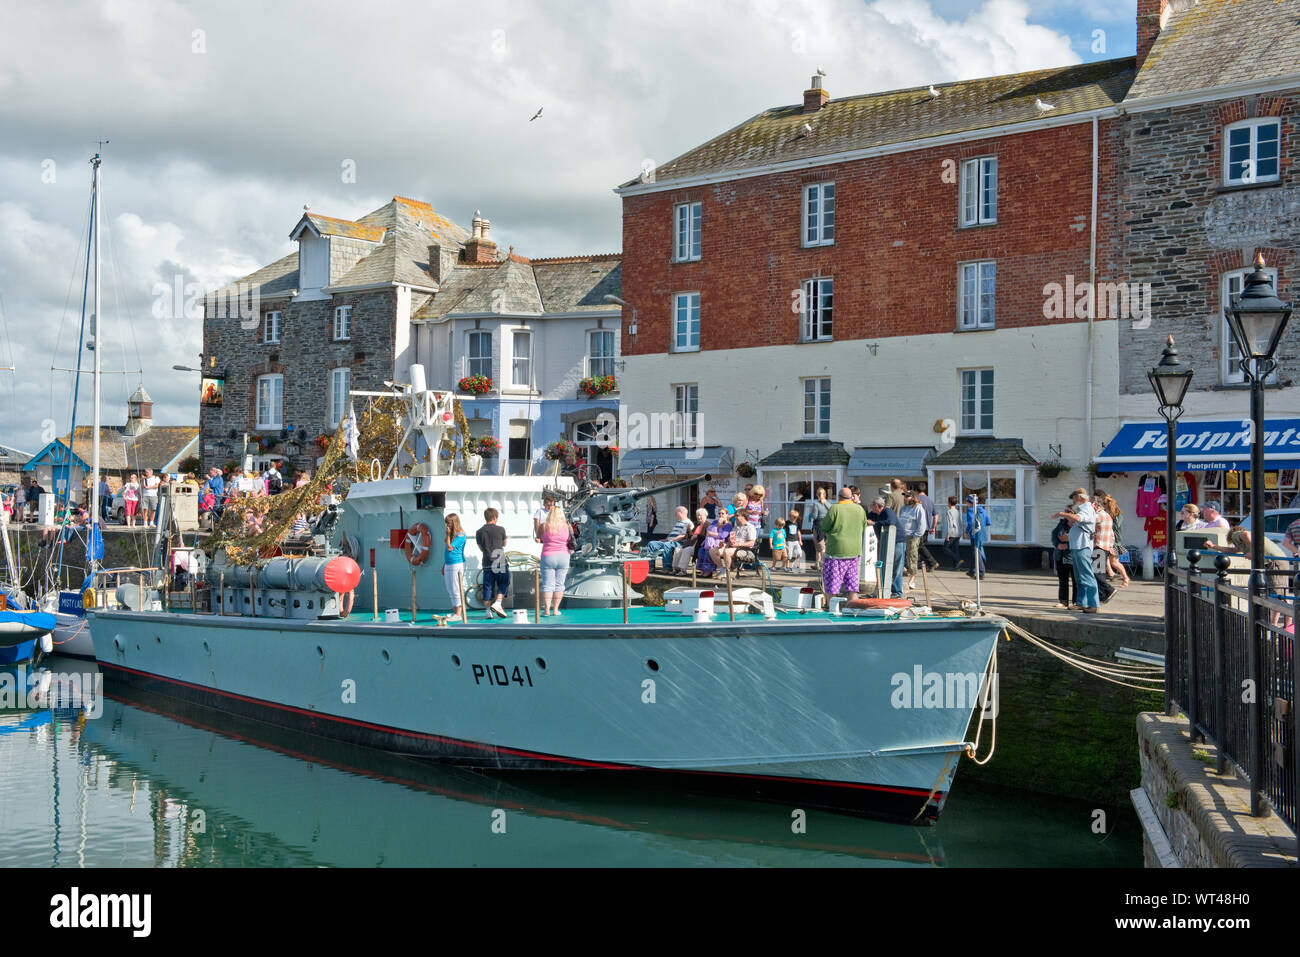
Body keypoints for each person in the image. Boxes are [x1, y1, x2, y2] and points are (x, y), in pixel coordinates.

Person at [1054, 488, 1099, 613]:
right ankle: (1081, 602)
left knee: (1086, 575)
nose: (1073, 500)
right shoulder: (1083, 508)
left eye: (1074, 498)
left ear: (1079, 497)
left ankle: (1093, 603)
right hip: (1077, 545)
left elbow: (1079, 519)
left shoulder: (1087, 508)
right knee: (1079, 577)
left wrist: (1063, 514)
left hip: (1082, 546)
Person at [821, 487, 867, 600]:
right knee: (852, 584)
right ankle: (853, 607)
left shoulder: (835, 508)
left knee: (832, 583)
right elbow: (864, 526)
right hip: (854, 551)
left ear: (839, 497)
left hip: (836, 551)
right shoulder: (860, 509)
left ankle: (831, 608)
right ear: (851, 497)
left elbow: (824, 526)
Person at [867, 496, 906, 597]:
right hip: (885, 541)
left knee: (897, 566)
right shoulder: (873, 514)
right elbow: (866, 518)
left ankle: (897, 592)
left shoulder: (887, 511)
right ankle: (881, 590)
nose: (870, 507)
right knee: (882, 565)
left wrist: (874, 523)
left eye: (872, 505)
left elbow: (890, 522)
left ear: (876, 506)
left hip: (898, 540)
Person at [476, 507, 509, 618]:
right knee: (504, 582)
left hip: (487, 561)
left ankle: (487, 611)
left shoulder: (479, 532)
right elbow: (504, 543)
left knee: (488, 586)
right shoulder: (501, 529)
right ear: (495, 518)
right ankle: (498, 603)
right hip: (499, 558)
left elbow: (481, 547)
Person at [539, 505, 571, 615]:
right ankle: (556, 610)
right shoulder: (567, 526)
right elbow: (570, 539)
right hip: (563, 556)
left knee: (547, 584)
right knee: (559, 585)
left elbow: (540, 538)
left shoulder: (544, 526)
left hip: (548, 556)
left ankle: (547, 610)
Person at [1094, 492, 1130, 587]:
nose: (1103, 505)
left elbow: (1115, 526)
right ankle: (1111, 574)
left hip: (1114, 541)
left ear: (1109, 503)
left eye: (1104, 503)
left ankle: (1125, 578)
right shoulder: (1106, 513)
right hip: (1106, 540)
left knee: (1114, 561)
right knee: (1105, 558)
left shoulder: (1117, 515)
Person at [643, 506, 691, 570]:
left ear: (681, 513)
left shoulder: (688, 523)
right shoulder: (678, 522)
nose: (675, 514)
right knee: (651, 543)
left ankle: (667, 568)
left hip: (679, 542)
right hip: (670, 541)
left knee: (667, 545)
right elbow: (672, 533)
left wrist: (672, 540)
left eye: (676, 513)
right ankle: (650, 566)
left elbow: (683, 535)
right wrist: (665, 539)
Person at [899, 492, 928, 590]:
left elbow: (922, 524)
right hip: (902, 535)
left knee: (912, 557)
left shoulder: (918, 508)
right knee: (900, 555)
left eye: (907, 496)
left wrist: (916, 535)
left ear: (913, 497)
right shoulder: (903, 508)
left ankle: (912, 579)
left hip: (912, 536)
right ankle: (901, 575)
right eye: (905, 496)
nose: (905, 498)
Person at [441, 513, 467, 617]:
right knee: (449, 588)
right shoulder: (452, 535)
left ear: (454, 523)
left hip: (457, 564)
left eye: (449, 522)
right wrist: (444, 565)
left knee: (456, 588)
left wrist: (447, 535)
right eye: (446, 522)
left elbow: (450, 548)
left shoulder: (461, 535)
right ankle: (455, 611)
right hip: (449, 564)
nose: (447, 525)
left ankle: (458, 613)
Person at [673, 508, 710, 575]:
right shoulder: (696, 524)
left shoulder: (708, 525)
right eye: (697, 515)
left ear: (705, 516)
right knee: (678, 549)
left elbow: (706, 537)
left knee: (686, 550)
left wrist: (697, 536)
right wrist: (688, 530)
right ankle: (676, 568)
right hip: (691, 543)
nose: (699, 517)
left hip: (699, 545)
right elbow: (690, 536)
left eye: (700, 515)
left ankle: (683, 570)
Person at [1051, 508, 1075, 608]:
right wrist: (1057, 544)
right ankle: (1063, 601)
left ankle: (1076, 601)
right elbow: (1054, 535)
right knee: (1063, 580)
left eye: (1068, 513)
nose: (1067, 515)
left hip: (1073, 556)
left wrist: (1068, 545)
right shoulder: (1062, 524)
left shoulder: (1078, 525)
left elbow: (1081, 540)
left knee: (1076, 580)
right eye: (1066, 513)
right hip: (1060, 555)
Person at [963, 494, 991, 579]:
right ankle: (972, 571)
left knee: (976, 552)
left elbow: (971, 523)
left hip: (974, 534)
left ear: (970, 502)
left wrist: (967, 531)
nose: (966, 503)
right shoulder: (983, 510)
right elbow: (988, 522)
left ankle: (981, 572)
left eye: (967, 502)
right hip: (982, 533)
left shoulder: (970, 510)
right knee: (976, 551)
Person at [805, 486, 830, 569]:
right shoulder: (829, 504)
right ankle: (817, 564)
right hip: (827, 526)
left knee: (819, 547)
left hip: (818, 526)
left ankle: (823, 564)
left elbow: (815, 516)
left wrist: (811, 513)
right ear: (825, 494)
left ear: (817, 495)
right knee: (823, 547)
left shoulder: (816, 504)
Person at [940, 495, 963, 569]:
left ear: (949, 502)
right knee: (955, 548)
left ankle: (958, 559)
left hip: (952, 533)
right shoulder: (957, 511)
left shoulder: (949, 511)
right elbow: (960, 522)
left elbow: (950, 524)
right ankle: (956, 566)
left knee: (945, 548)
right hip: (958, 532)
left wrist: (948, 535)